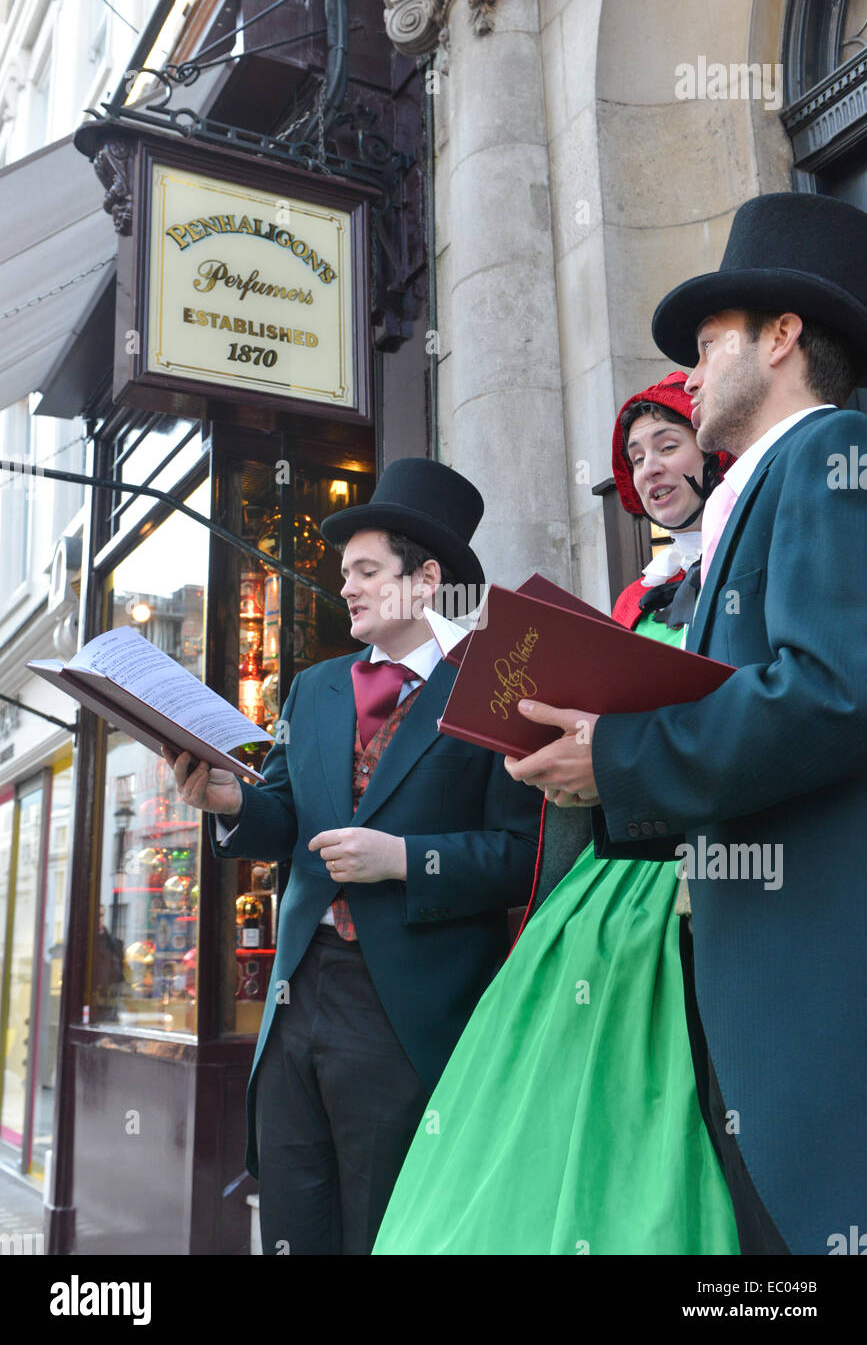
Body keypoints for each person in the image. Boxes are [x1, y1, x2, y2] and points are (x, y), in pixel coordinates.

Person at [502, 192, 867, 1256]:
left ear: (783, 338)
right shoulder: (760, 489)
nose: (692, 374)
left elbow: (833, 688)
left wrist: (618, 756)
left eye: (708, 345)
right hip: (748, 982)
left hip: (809, 989)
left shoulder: (829, 452)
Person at [372, 376, 740, 1255]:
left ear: (711, 449)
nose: (650, 468)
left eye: (669, 445)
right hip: (607, 876)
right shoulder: (638, 600)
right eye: (636, 456)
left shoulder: (738, 576)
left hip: (699, 871)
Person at [164, 457, 541, 1255]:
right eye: (346, 573)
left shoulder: (496, 686)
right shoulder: (315, 688)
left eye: (367, 571)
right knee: (295, 1224)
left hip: (409, 1009)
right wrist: (229, 805)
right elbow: (283, 818)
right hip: (298, 997)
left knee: (386, 1225)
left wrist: (403, 858)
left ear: (425, 579)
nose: (348, 587)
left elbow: (522, 857)